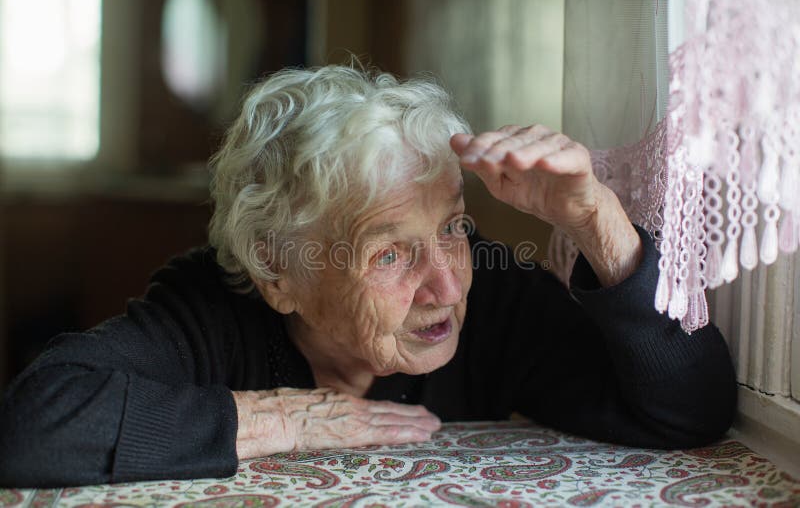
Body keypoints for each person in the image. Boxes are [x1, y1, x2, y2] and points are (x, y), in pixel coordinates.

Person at [0, 65, 737, 487]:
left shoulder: (489, 298)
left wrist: (596, 220)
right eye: (389, 253)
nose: (447, 286)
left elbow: (689, 411)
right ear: (276, 270)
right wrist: (286, 418)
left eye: (451, 228)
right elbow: (31, 427)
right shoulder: (211, 311)